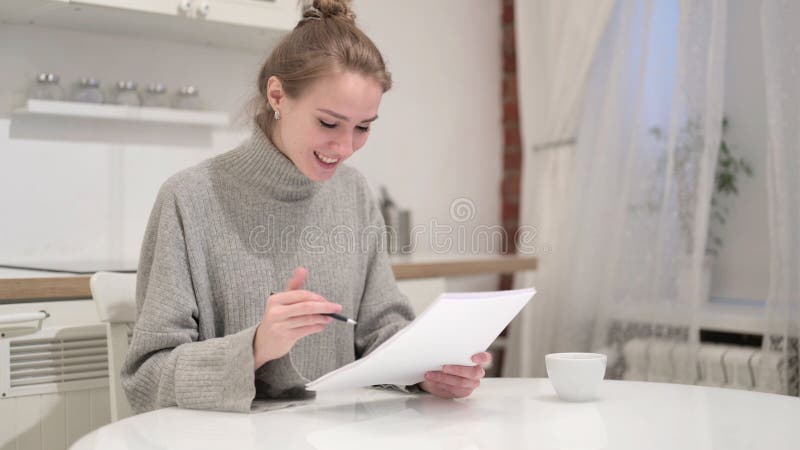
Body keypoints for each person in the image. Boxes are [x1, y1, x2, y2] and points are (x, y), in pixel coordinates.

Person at [121, 0, 490, 413]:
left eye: (363, 127)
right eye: (328, 123)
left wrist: (427, 371)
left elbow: (380, 331)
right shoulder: (188, 198)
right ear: (277, 95)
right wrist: (256, 346)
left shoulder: (353, 192)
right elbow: (145, 379)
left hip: (339, 433)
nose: (345, 147)